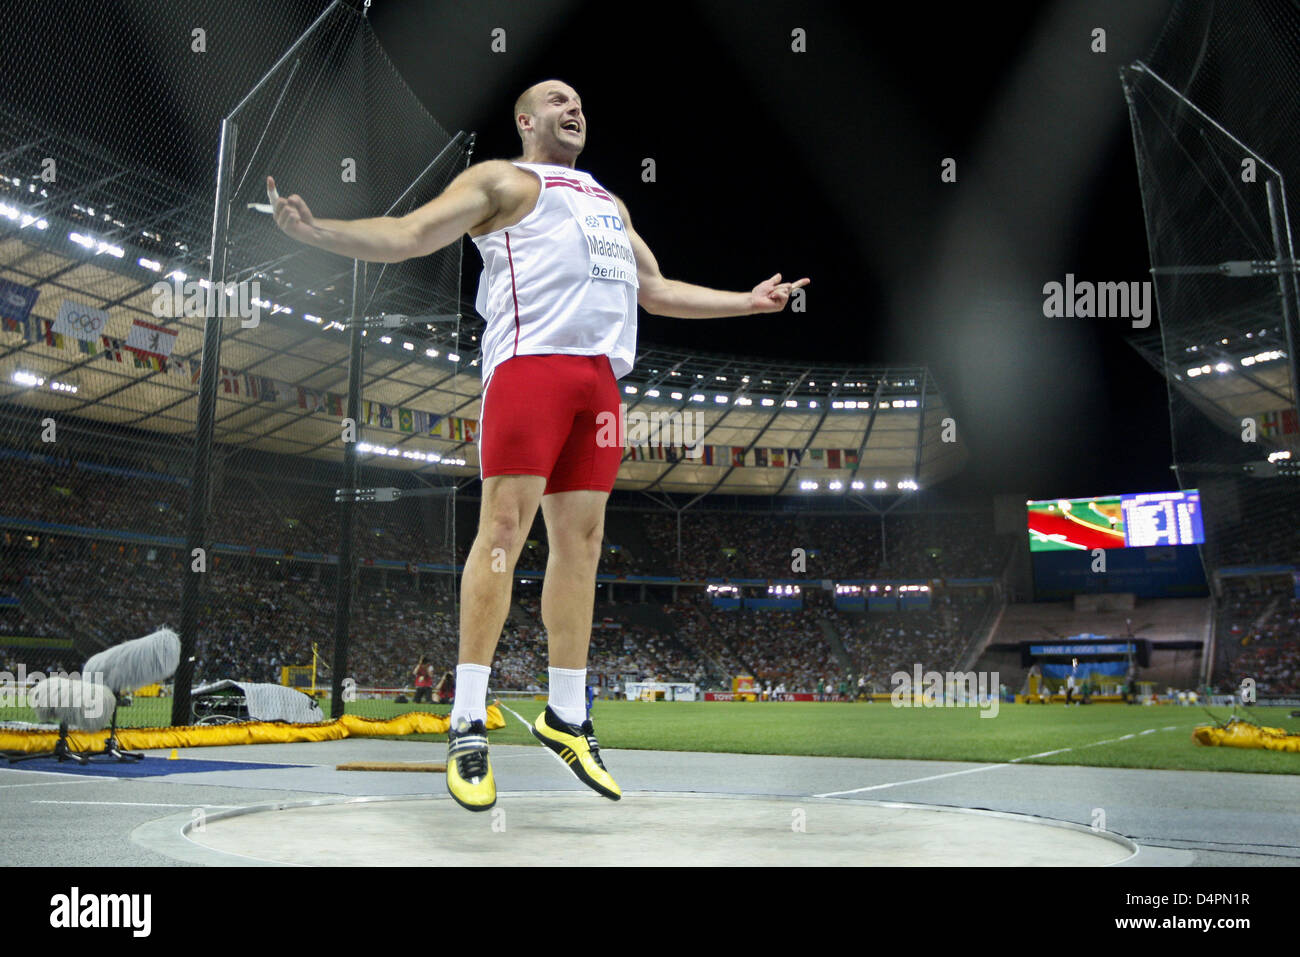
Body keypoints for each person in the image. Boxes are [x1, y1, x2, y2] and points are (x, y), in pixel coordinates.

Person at [270, 79, 807, 812]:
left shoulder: (610, 202)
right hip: (532, 368)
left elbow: (654, 288)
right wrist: (319, 232)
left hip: (600, 383)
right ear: (526, 120)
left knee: (583, 544)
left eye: (581, 99)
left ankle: (567, 715)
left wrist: (745, 302)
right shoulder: (502, 180)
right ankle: (465, 718)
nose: (574, 106)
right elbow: (411, 234)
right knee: (501, 532)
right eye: (557, 99)